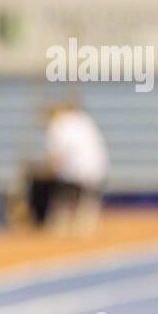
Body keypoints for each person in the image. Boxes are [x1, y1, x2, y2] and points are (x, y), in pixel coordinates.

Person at [44, 100, 108, 235]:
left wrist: (50, 170)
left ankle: (60, 227)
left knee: (66, 194)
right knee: (87, 194)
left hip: (77, 168)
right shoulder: (84, 119)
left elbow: (55, 155)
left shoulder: (59, 124)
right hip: (98, 165)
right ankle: (86, 225)